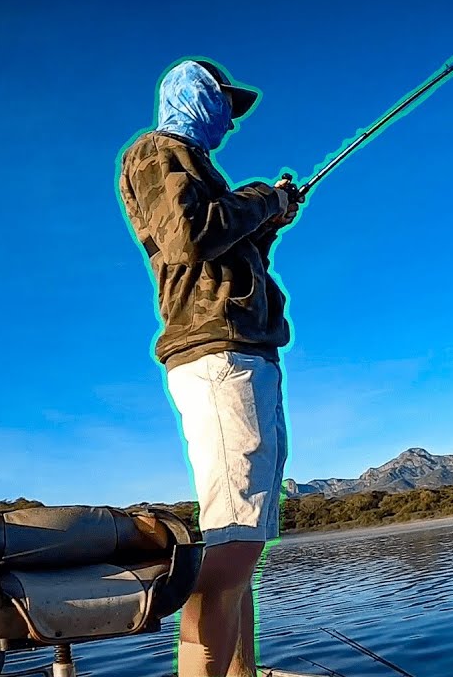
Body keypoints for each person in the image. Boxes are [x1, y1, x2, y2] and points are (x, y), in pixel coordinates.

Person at [115, 58, 303, 677]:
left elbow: (219, 253)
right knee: (230, 550)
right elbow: (190, 236)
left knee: (244, 538)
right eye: (225, 103)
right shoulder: (157, 152)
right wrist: (262, 198)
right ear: (197, 98)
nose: (231, 119)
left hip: (244, 356)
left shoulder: (194, 167)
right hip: (218, 357)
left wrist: (269, 220)